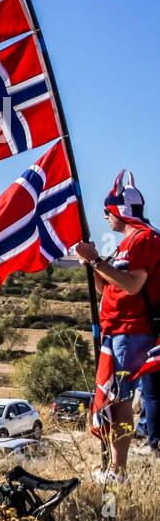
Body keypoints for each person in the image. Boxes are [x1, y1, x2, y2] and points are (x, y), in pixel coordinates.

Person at [74, 170, 160, 482]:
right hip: (117, 330)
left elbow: (133, 285)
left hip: (132, 329)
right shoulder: (128, 243)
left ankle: (118, 471)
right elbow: (108, 288)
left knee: (120, 399)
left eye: (106, 213)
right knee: (113, 398)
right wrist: (93, 264)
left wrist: (97, 261)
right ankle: (114, 466)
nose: (105, 219)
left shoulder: (145, 239)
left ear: (116, 211)